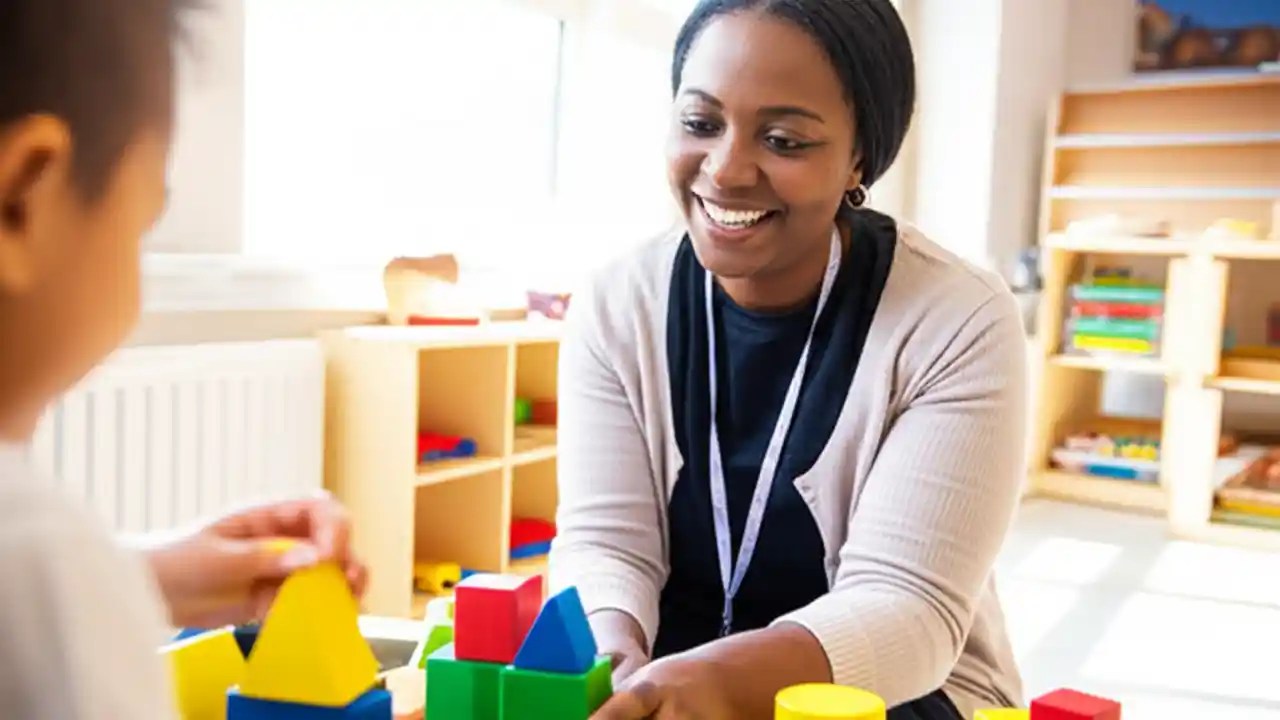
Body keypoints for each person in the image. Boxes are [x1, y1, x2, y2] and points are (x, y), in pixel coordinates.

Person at [548, 1, 1028, 718]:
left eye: (783, 139)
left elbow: (908, 607)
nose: (727, 169)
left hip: (890, 694)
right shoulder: (617, 304)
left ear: (860, 156)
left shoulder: (957, 319)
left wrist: (716, 681)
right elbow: (604, 543)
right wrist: (614, 668)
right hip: (667, 683)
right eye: (700, 123)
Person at [0, 1, 366, 717]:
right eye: (141, 225)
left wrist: (143, 576)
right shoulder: (45, 558)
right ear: (21, 201)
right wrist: (91, 587)